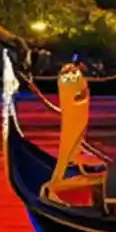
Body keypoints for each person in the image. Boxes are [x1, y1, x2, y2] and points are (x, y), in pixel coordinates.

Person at [41, 63, 93, 202]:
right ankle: (64, 172)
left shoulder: (75, 80)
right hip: (73, 106)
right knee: (72, 139)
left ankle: (71, 165)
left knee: (76, 139)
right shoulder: (71, 81)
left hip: (76, 108)